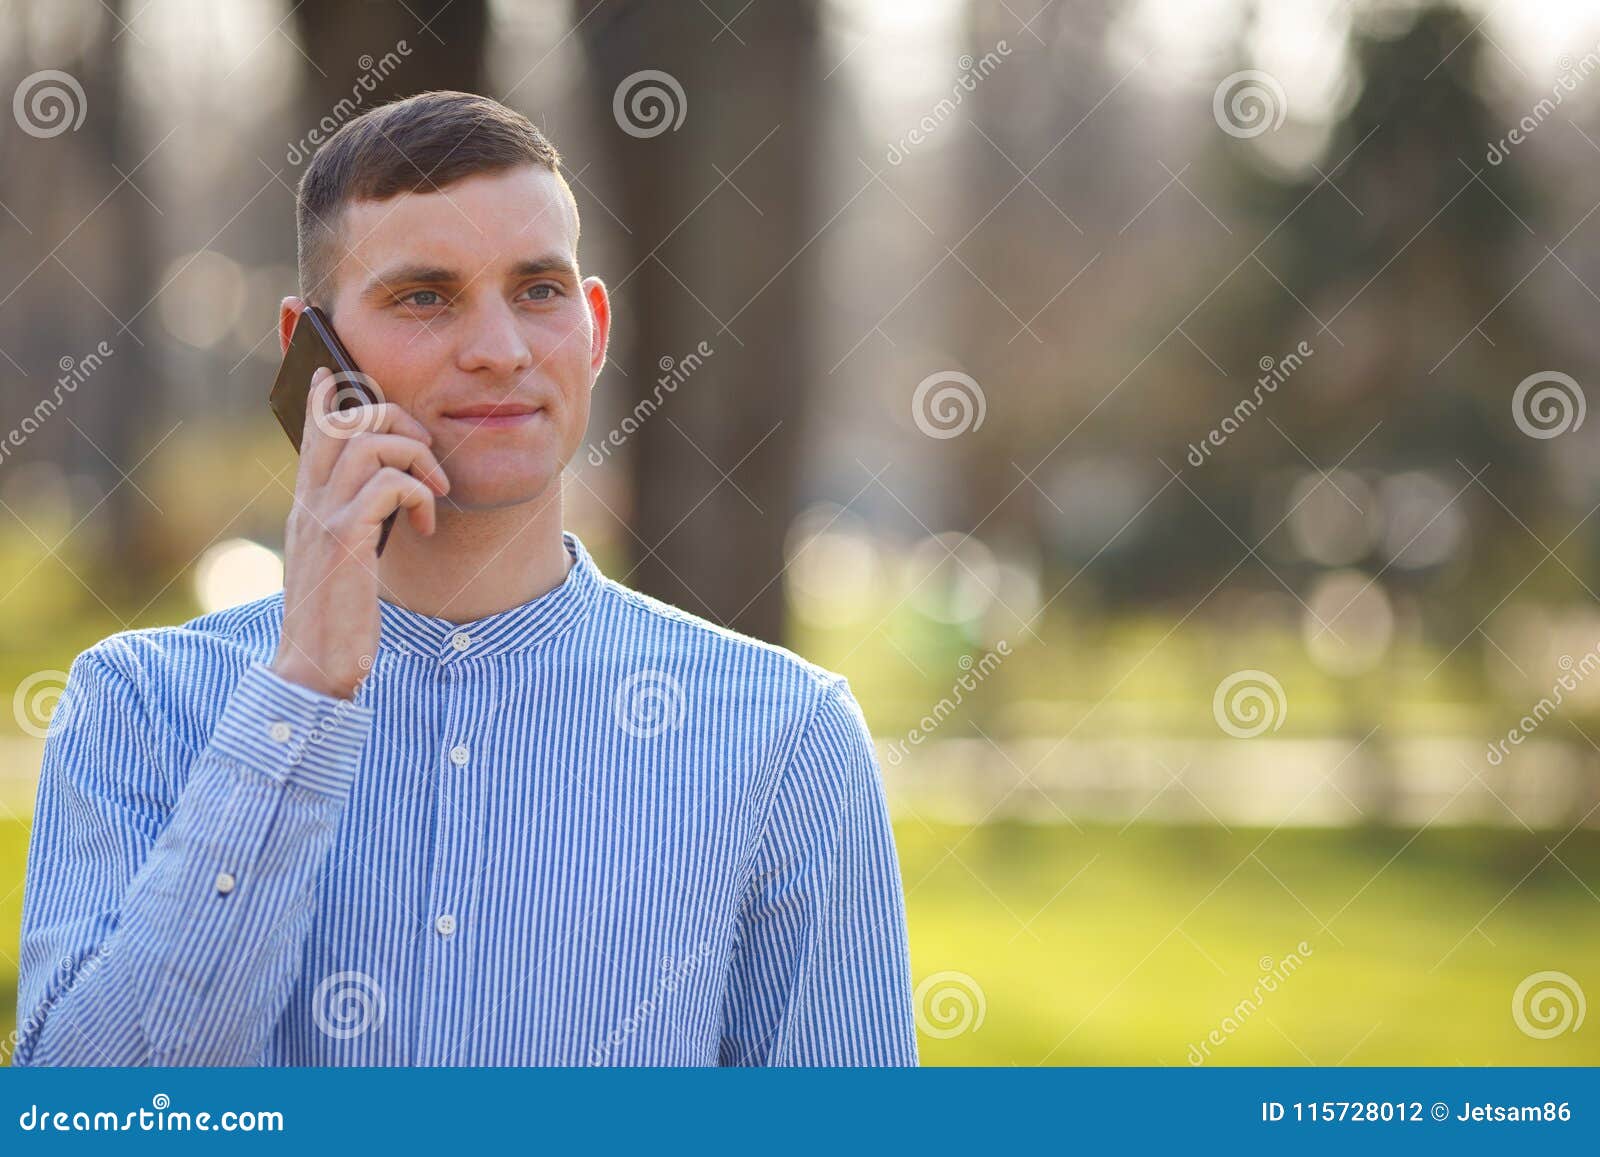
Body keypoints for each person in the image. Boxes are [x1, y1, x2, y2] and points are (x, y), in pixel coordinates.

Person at [13, 90, 917, 1067]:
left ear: (595, 325)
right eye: (425, 296)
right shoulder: (139, 705)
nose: (499, 349)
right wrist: (301, 690)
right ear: (309, 352)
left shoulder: (783, 734)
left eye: (537, 290)